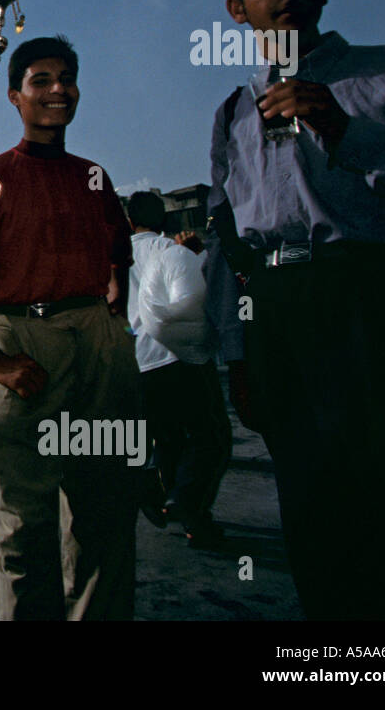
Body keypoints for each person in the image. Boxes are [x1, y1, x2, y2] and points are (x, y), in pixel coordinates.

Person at [204, 0, 385, 620]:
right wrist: (237, 351)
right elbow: (227, 240)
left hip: (381, 301)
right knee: (316, 513)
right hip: (281, 312)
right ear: (236, 8)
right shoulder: (230, 115)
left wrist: (350, 131)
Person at [0, 35, 140, 621]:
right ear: (14, 96)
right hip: (23, 346)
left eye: (66, 78)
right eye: (40, 80)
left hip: (99, 345)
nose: (57, 90)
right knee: (25, 523)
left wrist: (109, 318)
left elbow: (120, 252)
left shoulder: (95, 177)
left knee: (105, 513)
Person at [124, 190, 229, 548]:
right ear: (166, 220)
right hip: (176, 357)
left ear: (128, 220)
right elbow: (197, 299)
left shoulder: (116, 257)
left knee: (168, 439)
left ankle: (174, 501)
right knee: (210, 436)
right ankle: (190, 510)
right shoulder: (171, 251)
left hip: (139, 362)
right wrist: (198, 254)